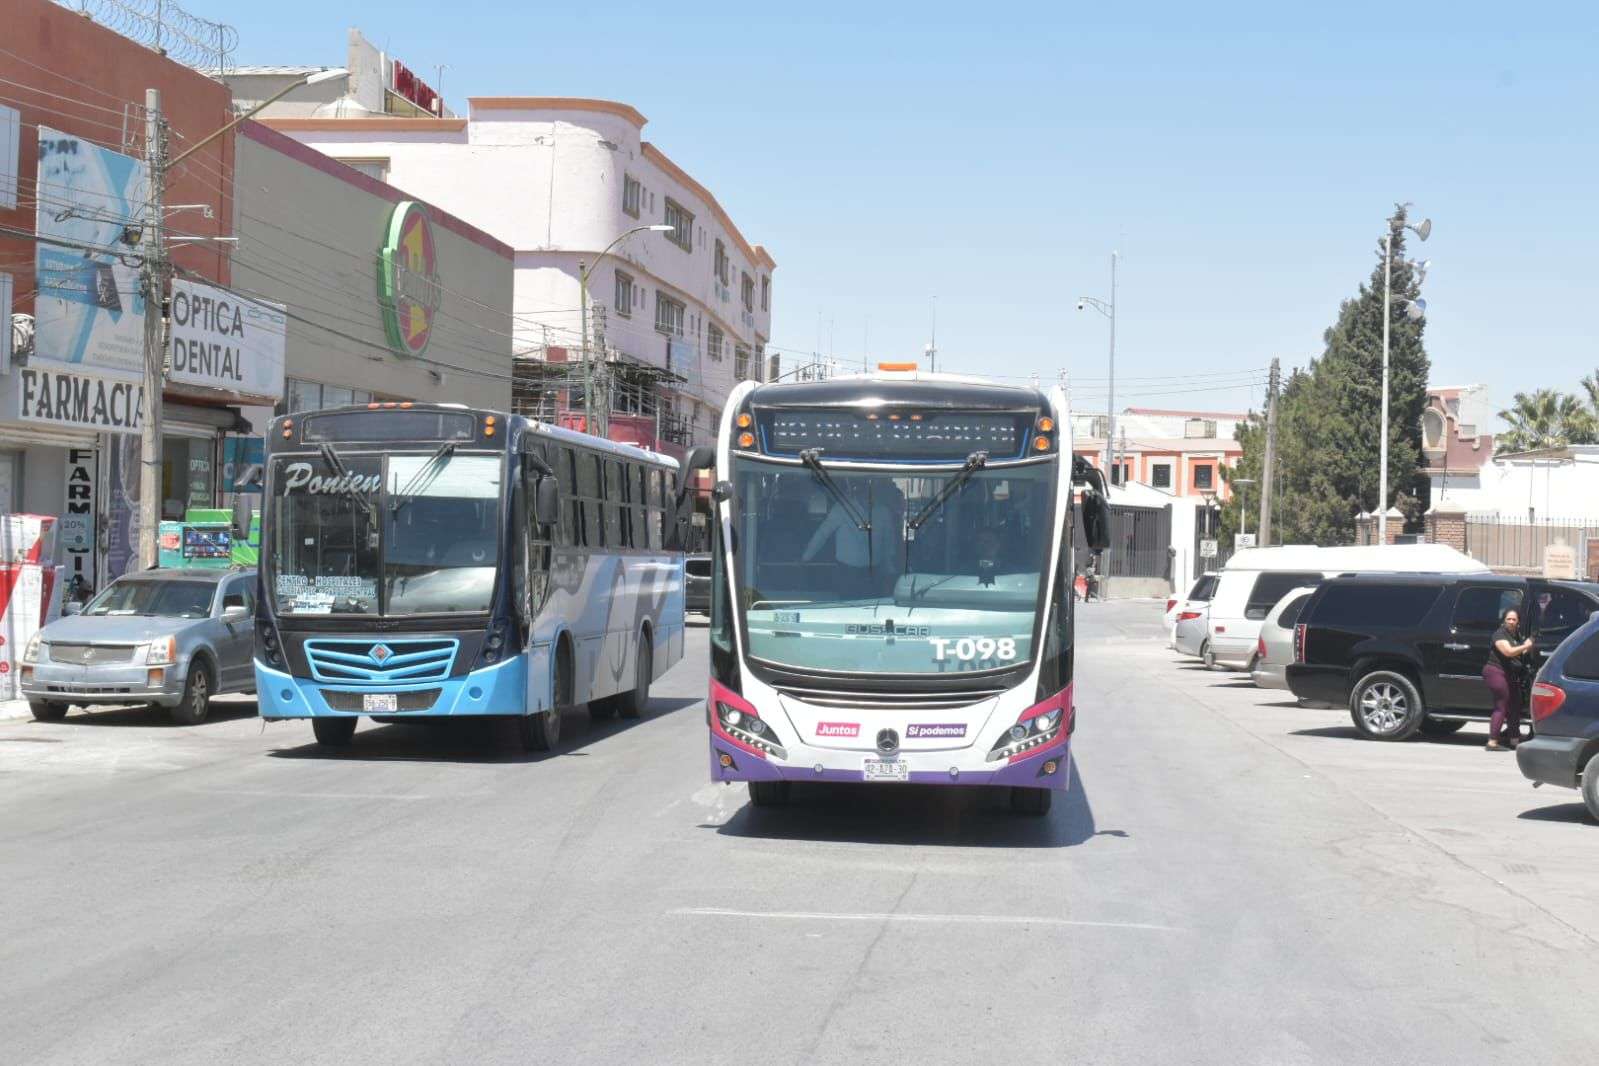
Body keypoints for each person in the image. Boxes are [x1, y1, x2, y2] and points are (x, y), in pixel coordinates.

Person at [801, 480, 901, 588]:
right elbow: (822, 534)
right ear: (857, 490)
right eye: (864, 489)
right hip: (846, 573)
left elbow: (888, 542)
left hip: (874, 574)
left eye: (871, 490)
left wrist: (890, 569)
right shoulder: (841, 508)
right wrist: (805, 558)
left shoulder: (884, 512)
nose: (867, 493)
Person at [1483, 607, 1534, 751]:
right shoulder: (1499, 634)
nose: (1511, 621)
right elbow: (1508, 652)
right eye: (1508, 619)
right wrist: (1526, 645)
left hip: (1511, 674)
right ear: (1504, 620)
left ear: (1518, 622)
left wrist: (1529, 645)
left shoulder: (1516, 635)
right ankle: (1492, 742)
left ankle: (1514, 740)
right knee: (1502, 705)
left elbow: (1519, 652)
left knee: (1515, 705)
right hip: (1496, 671)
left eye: (1514, 619)